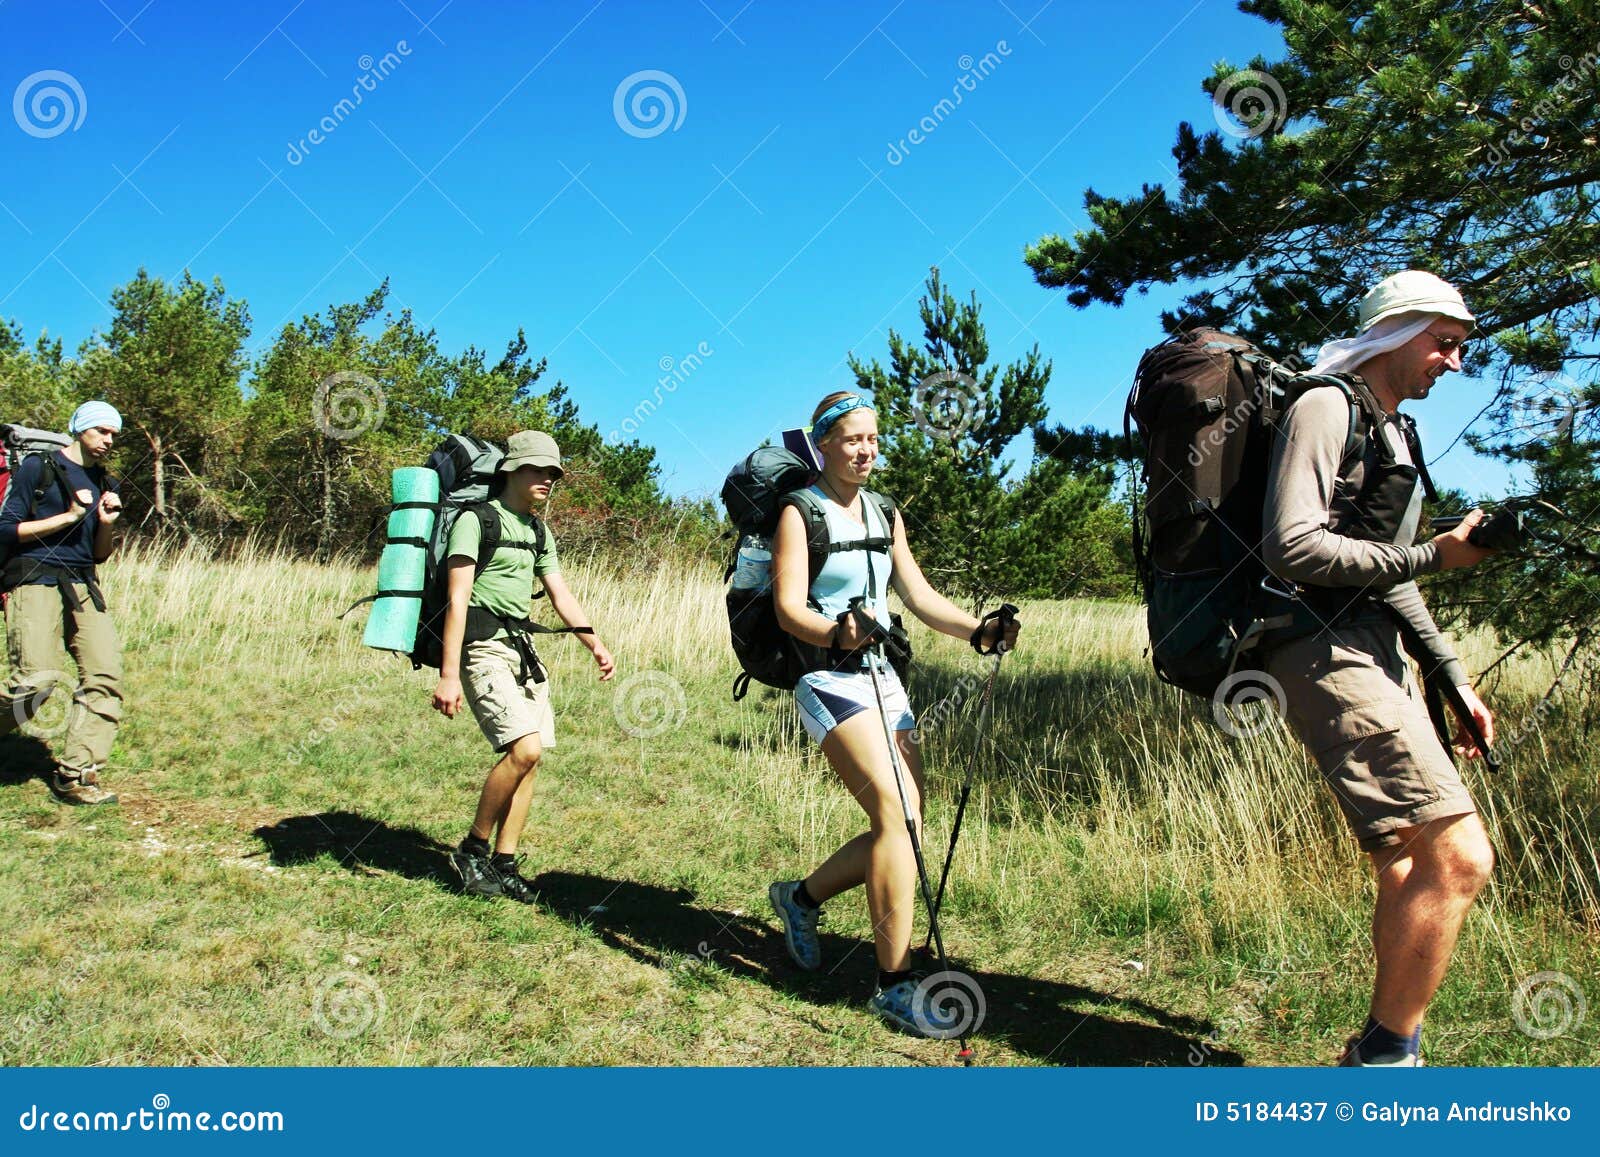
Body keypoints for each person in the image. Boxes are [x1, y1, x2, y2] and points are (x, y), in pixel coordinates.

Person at [1260, 270, 1498, 1066]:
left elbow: (1390, 572)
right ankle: (1389, 1058)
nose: (1453, 361)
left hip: (1375, 650)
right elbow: (1290, 544)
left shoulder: (1398, 432)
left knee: (1403, 859)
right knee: (1461, 856)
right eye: (1445, 341)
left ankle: (1379, 1049)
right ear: (1397, 330)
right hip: (1320, 649)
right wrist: (1438, 551)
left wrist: (1453, 678)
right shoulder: (1326, 405)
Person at [765, 391, 1019, 1037]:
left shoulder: (884, 510)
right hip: (826, 675)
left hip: (884, 677)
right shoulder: (800, 512)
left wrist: (977, 632)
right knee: (896, 815)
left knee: (906, 823)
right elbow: (788, 607)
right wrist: (836, 632)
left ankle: (799, 898)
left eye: (873, 439)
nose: (866, 449)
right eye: (852, 439)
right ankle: (892, 983)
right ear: (823, 442)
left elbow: (919, 593)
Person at [430, 430, 615, 902]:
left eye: (554, 472)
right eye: (539, 469)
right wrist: (449, 674)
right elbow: (457, 599)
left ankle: (504, 863)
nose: (549, 479)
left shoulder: (537, 529)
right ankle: (472, 849)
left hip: (523, 654)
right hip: (483, 648)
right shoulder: (477, 520)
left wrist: (592, 642)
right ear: (511, 470)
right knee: (525, 750)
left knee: (531, 763)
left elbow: (560, 593)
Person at [0, 401, 126, 805]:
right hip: (34, 575)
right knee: (36, 681)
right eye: (102, 431)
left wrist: (105, 525)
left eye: (113, 435)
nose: (108, 440)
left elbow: (99, 555)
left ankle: (77, 775)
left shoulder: (108, 483)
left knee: (105, 677)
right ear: (80, 428)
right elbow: (7, 529)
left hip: (82, 583)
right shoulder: (39, 468)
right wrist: (69, 516)